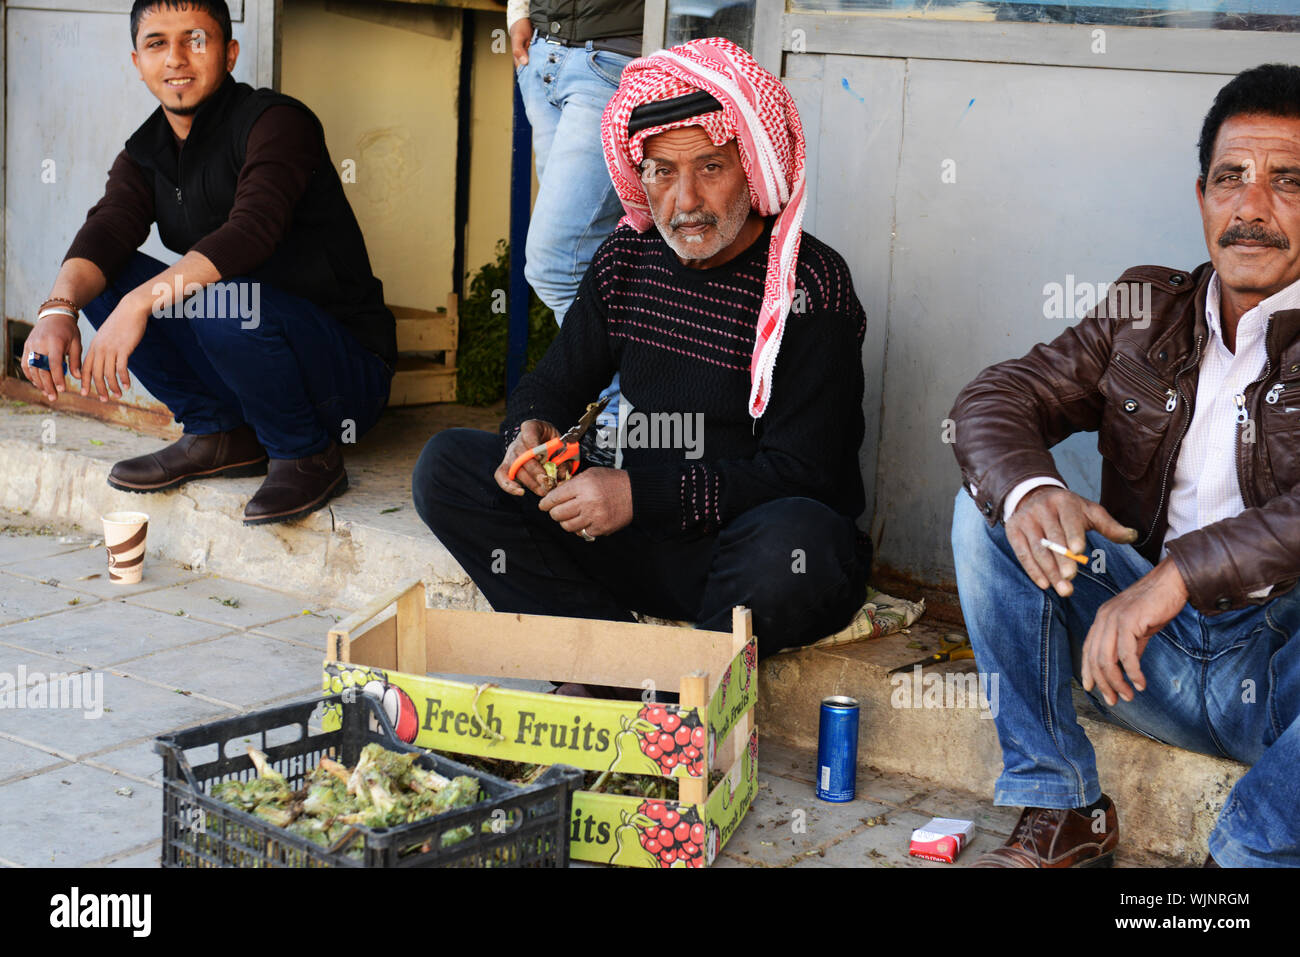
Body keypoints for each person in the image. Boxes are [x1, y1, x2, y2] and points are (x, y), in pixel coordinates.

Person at [414, 38, 872, 676]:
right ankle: (603, 669)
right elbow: (552, 381)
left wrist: (635, 493)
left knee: (805, 543)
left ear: (755, 167)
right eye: (660, 171)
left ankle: (680, 697)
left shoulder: (810, 285)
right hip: (637, 539)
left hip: (740, 555)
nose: (684, 200)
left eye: (710, 167)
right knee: (449, 467)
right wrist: (530, 430)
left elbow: (802, 474)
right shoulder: (629, 258)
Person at [949, 63, 1300, 868]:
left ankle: (1249, 857)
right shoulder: (1146, 307)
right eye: (1230, 179)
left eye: (1287, 182)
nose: (1252, 207)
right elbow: (1001, 393)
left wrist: (1171, 577)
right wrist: (1035, 491)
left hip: (1279, 675)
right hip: (1142, 659)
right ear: (1202, 196)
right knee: (992, 507)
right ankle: (1062, 804)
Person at [21, 0, 395, 525]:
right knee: (103, 280)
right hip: (242, 354)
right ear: (137, 62)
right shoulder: (146, 151)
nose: (176, 57)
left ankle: (305, 453)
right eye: (157, 43)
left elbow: (253, 230)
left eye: (195, 40)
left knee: (217, 300)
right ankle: (219, 432)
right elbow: (105, 230)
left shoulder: (277, 122)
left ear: (230, 53)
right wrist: (56, 313)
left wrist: (141, 303)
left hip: (340, 374)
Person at [507, 0, 645, 443]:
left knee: (554, 265)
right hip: (544, 60)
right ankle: (611, 416)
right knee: (589, 262)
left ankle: (622, 418)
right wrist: (516, 13)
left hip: (613, 60)